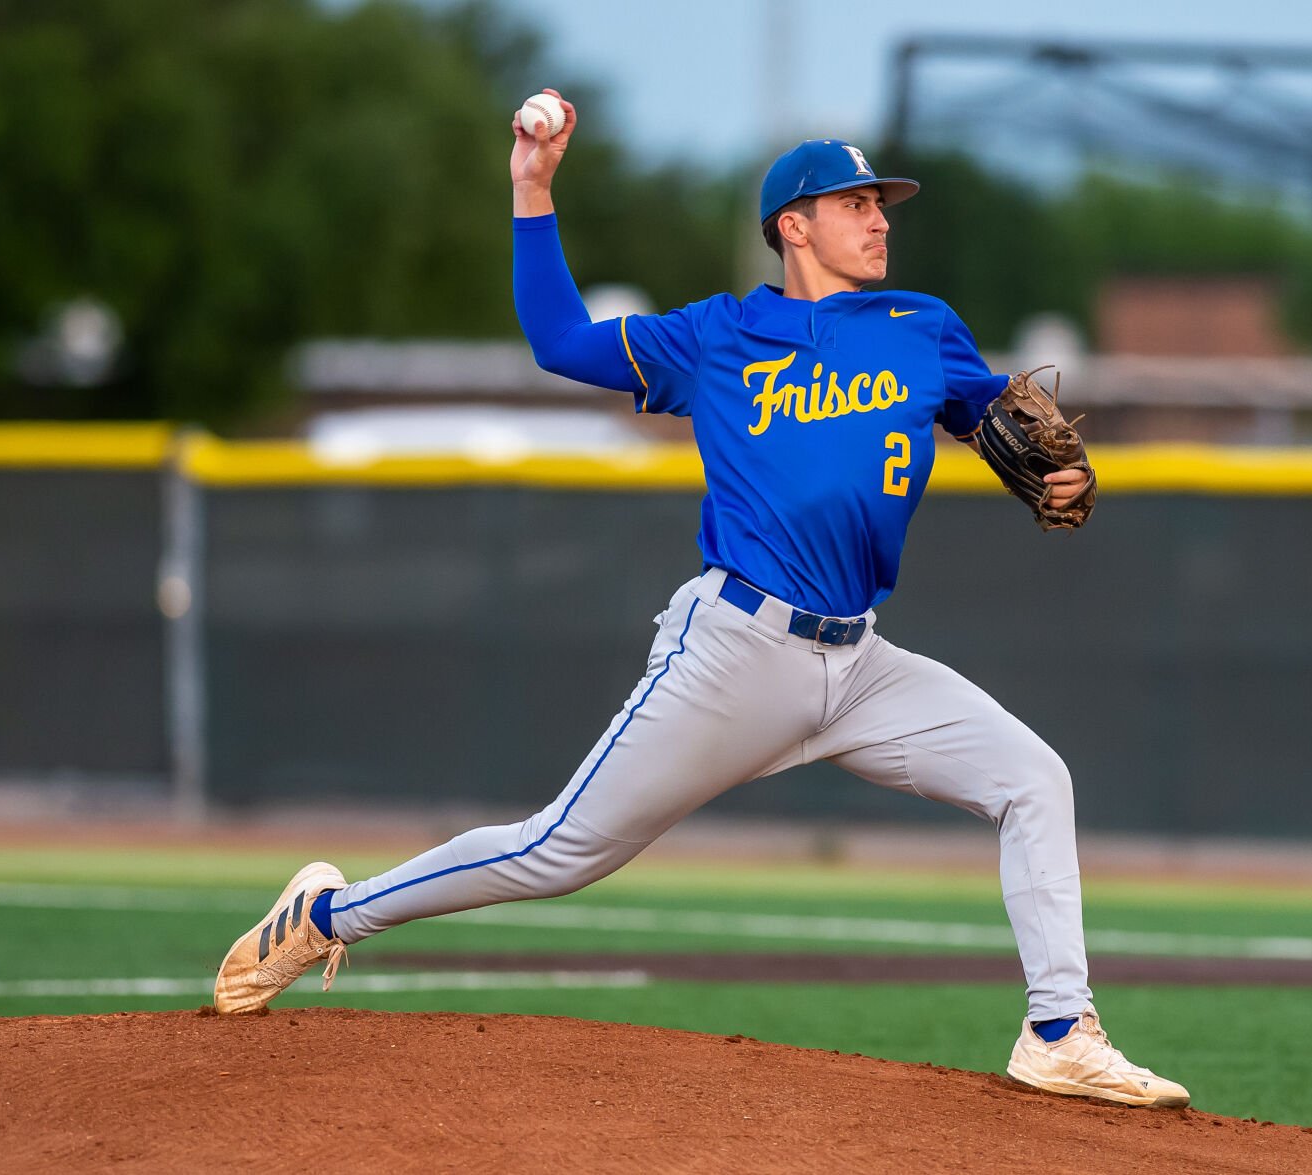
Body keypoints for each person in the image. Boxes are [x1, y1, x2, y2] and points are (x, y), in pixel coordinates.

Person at [214, 90, 1189, 1110]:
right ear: (792, 225)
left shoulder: (920, 325)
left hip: (862, 665)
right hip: (739, 648)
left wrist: (1062, 472)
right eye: (854, 203)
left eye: (882, 203)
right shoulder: (716, 338)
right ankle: (327, 914)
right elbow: (557, 338)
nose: (879, 217)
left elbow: (998, 415)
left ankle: (1057, 1031)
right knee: (557, 851)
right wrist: (532, 189)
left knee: (1033, 777)